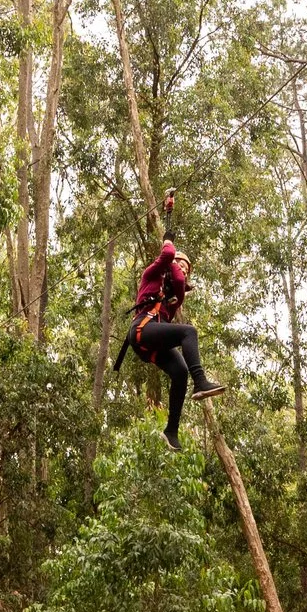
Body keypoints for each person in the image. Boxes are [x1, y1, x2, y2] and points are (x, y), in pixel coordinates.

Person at [113, 190, 227, 447]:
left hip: (151, 344)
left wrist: (180, 281)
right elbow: (167, 260)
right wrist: (168, 240)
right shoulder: (151, 274)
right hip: (142, 330)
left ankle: (171, 430)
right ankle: (201, 381)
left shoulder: (175, 293)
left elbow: (177, 282)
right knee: (189, 332)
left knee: (180, 372)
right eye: (181, 264)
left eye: (187, 268)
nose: (183, 269)